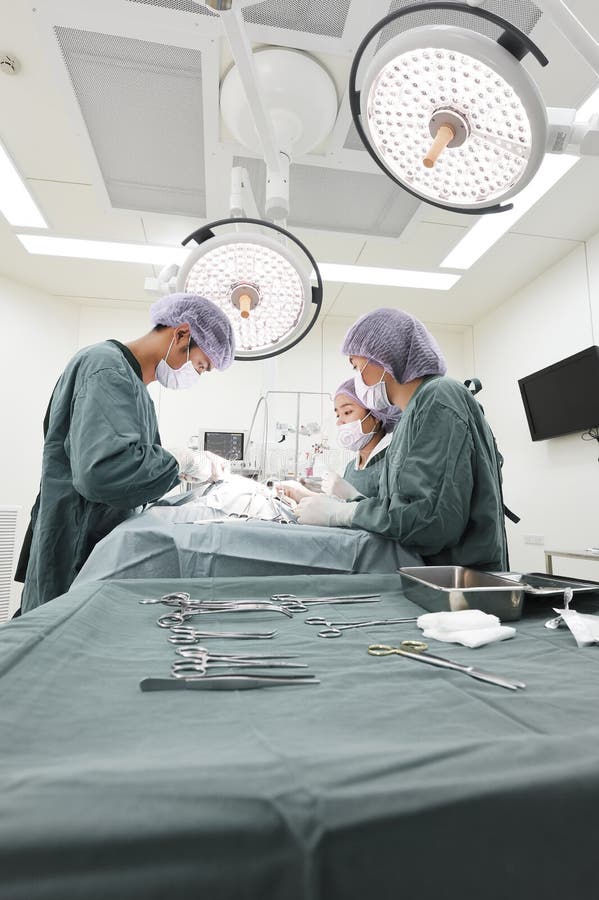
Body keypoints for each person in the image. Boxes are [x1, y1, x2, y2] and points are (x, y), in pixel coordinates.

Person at [15, 293, 235, 614]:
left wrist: (176, 473)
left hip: (91, 545)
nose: (195, 375)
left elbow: (130, 468)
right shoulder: (104, 368)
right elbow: (104, 473)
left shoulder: (131, 386)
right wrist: (180, 461)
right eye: (200, 366)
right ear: (182, 334)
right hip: (75, 549)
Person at [296, 308, 508, 571]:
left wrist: (344, 514)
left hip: (460, 583)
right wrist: (354, 502)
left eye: (356, 365)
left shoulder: (438, 397)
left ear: (383, 358)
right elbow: (402, 512)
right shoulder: (413, 415)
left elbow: (430, 521)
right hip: (432, 575)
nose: (356, 377)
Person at [279, 379, 401, 503]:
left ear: (376, 415)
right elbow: (342, 509)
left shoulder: (392, 465)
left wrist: (351, 497)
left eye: (347, 412)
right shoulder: (351, 467)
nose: (339, 422)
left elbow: (388, 517)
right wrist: (303, 494)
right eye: (338, 415)